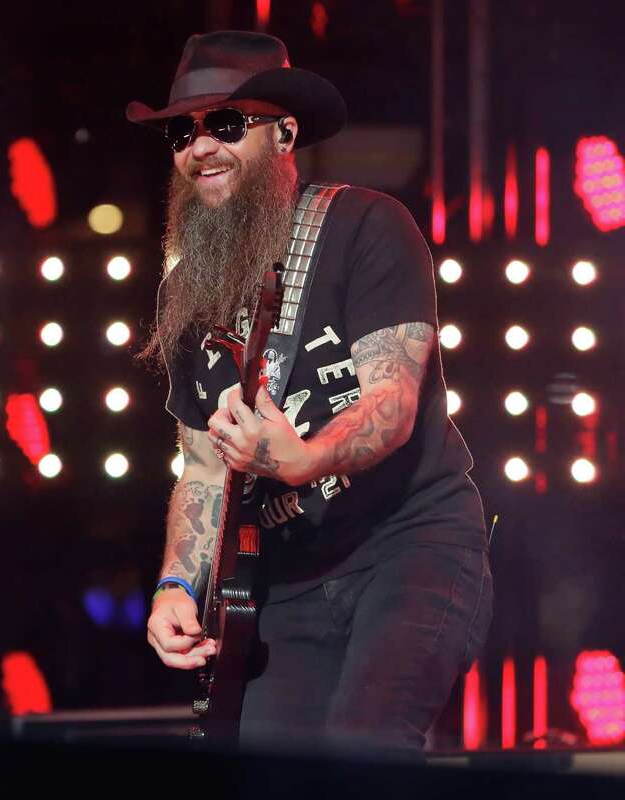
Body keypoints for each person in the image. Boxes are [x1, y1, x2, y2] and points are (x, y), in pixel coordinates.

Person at [134, 32, 492, 751]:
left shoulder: (365, 227)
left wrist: (300, 458)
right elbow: (204, 467)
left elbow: (389, 405)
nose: (199, 148)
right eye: (182, 131)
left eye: (226, 125)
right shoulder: (186, 296)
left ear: (285, 133)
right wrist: (176, 585)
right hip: (287, 580)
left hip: (407, 547)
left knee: (364, 751)